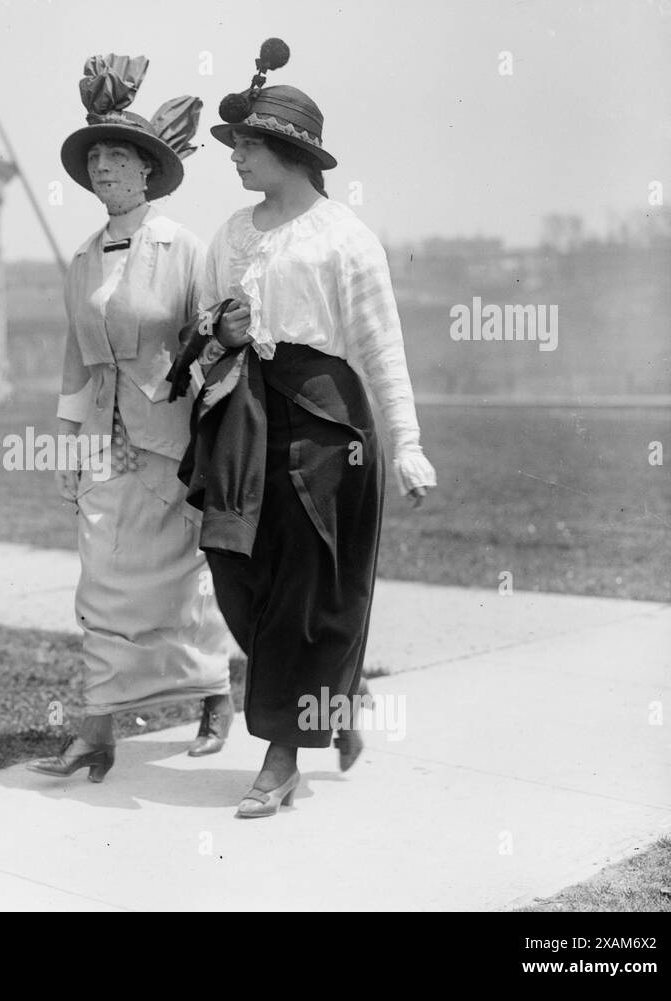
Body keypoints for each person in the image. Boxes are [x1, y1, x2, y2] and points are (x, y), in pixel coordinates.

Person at [180, 38, 437, 817]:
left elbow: (379, 349)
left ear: (291, 152)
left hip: (325, 426)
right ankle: (328, 702)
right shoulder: (230, 233)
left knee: (302, 583)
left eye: (248, 146)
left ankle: (282, 756)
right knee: (231, 568)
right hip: (241, 418)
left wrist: (410, 446)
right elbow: (205, 326)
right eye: (234, 145)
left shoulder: (344, 239)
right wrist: (217, 336)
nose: (236, 158)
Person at [27, 54, 235, 784]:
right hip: (99, 442)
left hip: (170, 439)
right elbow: (75, 365)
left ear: (150, 170)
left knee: (183, 574)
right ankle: (96, 729)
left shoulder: (186, 249)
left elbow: (212, 338)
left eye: (121, 156)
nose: (106, 168)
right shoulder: (84, 259)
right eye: (97, 159)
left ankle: (213, 691)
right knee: (99, 579)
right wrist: (63, 447)